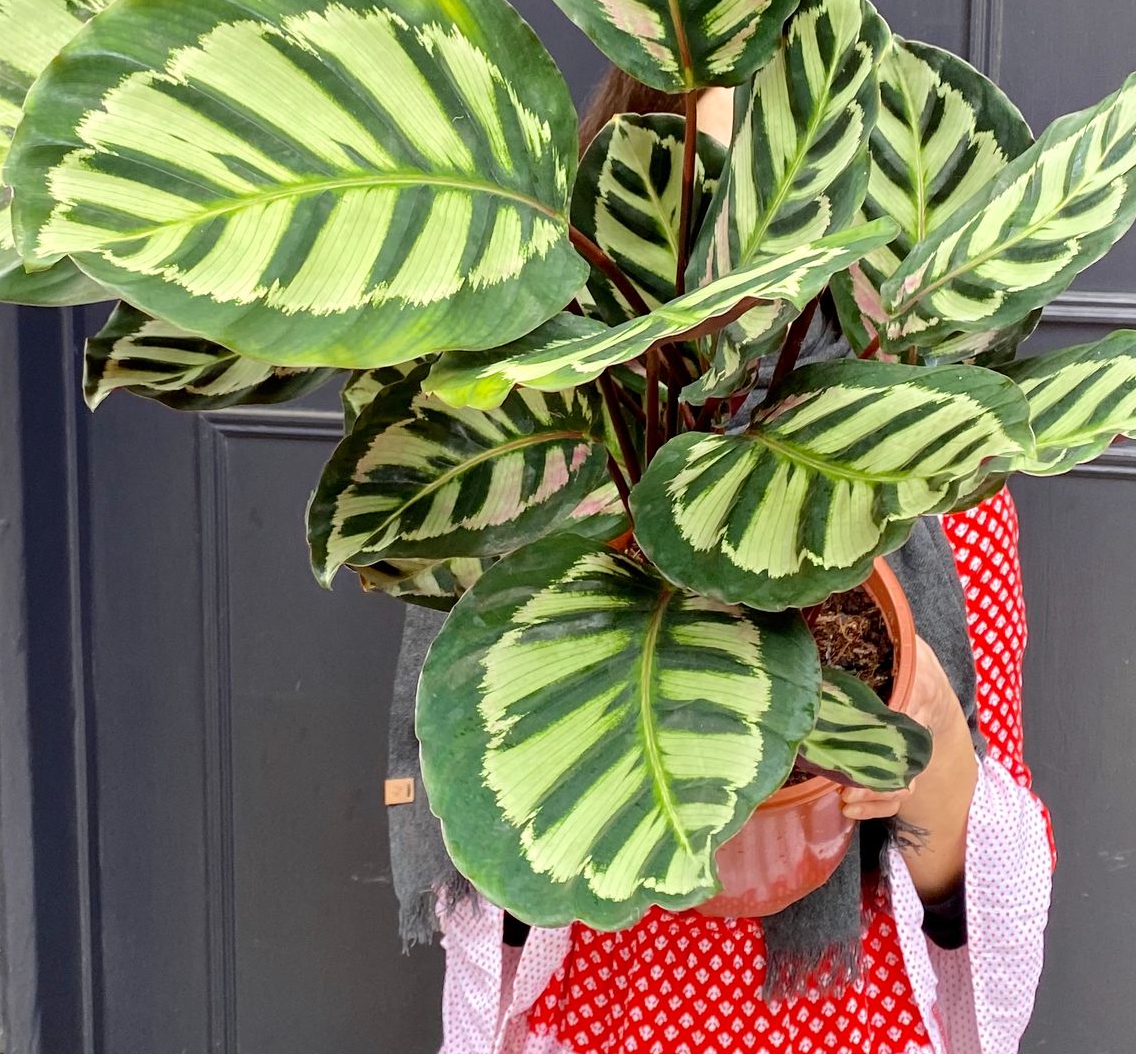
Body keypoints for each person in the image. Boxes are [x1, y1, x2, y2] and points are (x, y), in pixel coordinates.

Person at [400, 71, 1055, 1054]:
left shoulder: (935, 496)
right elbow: (491, 861)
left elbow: (988, 896)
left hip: (853, 1024)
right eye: (708, 202)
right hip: (607, 1019)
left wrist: (933, 764)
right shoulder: (541, 476)